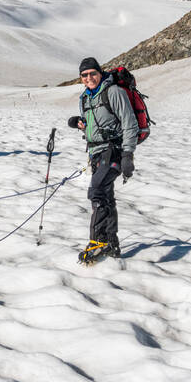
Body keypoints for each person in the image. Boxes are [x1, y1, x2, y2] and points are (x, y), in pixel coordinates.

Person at [66, 56, 137, 264]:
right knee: (105, 195)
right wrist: (80, 122)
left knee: (96, 191)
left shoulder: (113, 92)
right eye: (84, 75)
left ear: (100, 72)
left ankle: (97, 242)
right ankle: (112, 243)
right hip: (96, 153)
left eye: (92, 73)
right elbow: (94, 123)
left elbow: (129, 122)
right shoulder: (85, 98)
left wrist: (128, 154)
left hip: (114, 149)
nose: (89, 78)